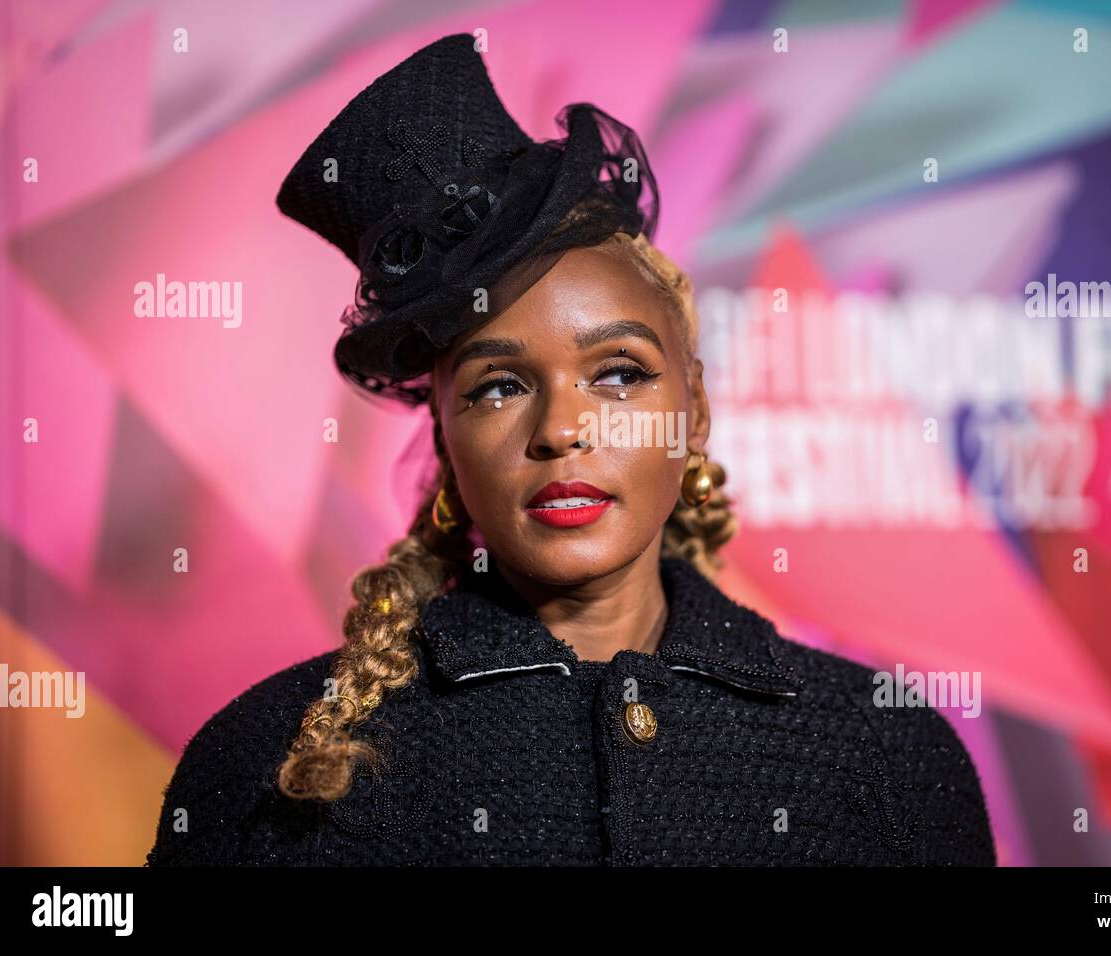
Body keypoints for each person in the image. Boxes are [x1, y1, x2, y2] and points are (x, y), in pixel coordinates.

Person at [146, 32, 997, 867]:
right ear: (444, 435)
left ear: (693, 411)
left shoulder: (888, 759)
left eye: (619, 373)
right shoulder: (264, 769)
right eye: (498, 387)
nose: (560, 430)